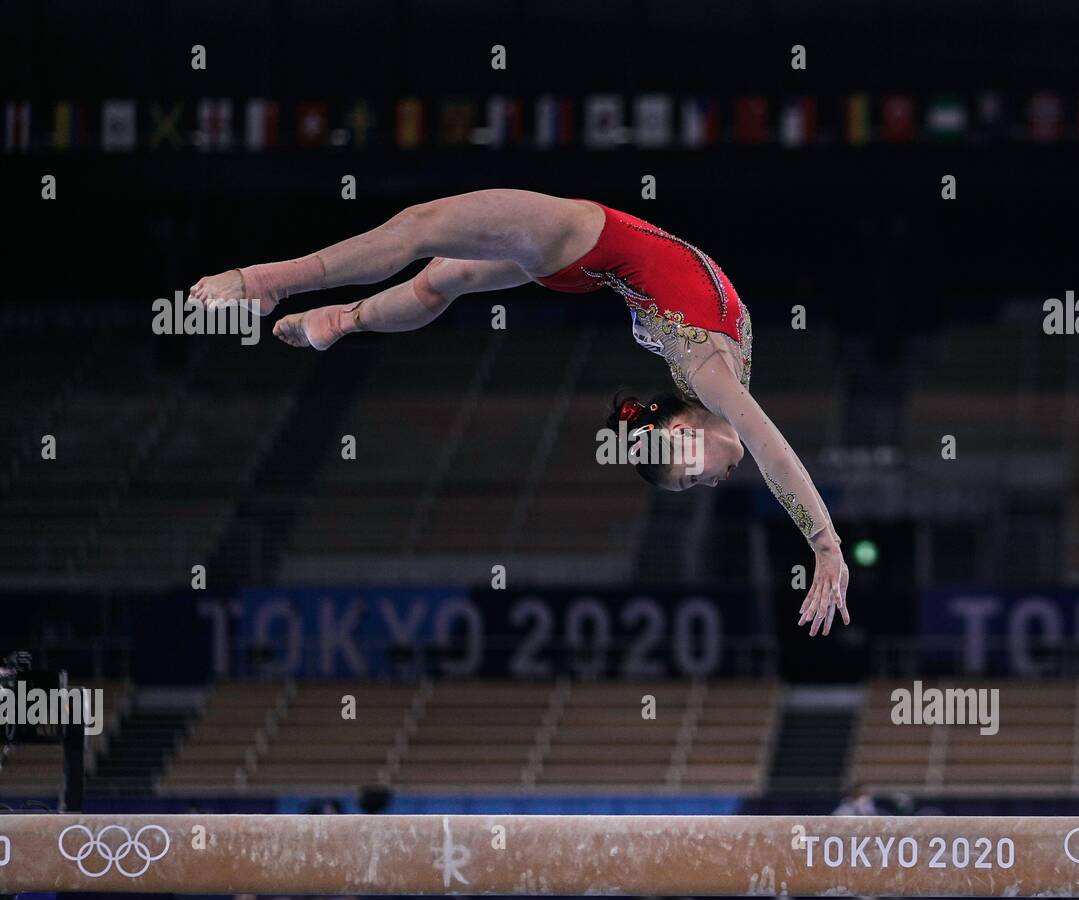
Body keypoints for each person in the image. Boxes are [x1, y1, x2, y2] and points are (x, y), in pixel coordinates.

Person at [191, 189, 849, 634]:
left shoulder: (708, 374)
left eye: (687, 479)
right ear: (681, 428)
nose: (707, 483)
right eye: (691, 474)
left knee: (437, 278)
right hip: (584, 234)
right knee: (419, 231)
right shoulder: (713, 378)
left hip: (588, 259)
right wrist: (825, 545)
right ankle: (260, 283)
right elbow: (772, 448)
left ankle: (345, 318)